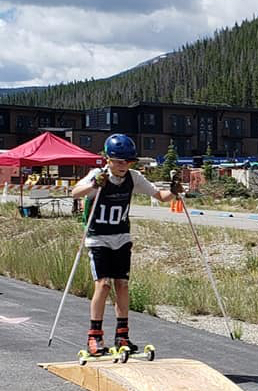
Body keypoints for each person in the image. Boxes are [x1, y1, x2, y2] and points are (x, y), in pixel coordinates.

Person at [71, 134, 184, 356]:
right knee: (103, 285)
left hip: (121, 236)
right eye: (118, 161)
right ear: (108, 159)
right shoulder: (99, 175)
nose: (123, 166)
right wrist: (94, 185)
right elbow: (75, 192)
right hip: (98, 237)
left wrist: (174, 191)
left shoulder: (134, 177)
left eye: (127, 161)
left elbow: (160, 196)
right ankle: (94, 337)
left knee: (122, 284)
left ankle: (122, 336)